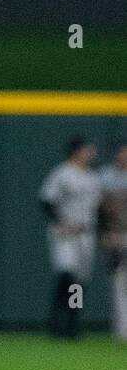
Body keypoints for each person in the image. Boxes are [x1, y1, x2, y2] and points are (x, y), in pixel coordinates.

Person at [39, 139, 100, 338]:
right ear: (76, 151)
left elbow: (99, 208)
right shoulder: (62, 173)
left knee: (79, 282)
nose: (90, 153)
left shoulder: (92, 177)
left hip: (86, 233)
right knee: (66, 273)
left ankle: (73, 322)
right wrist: (60, 221)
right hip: (65, 232)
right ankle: (57, 319)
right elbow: (46, 200)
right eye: (86, 149)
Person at [98, 141, 127, 342]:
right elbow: (98, 210)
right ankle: (121, 329)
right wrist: (106, 233)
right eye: (122, 153)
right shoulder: (104, 176)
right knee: (118, 281)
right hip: (115, 235)